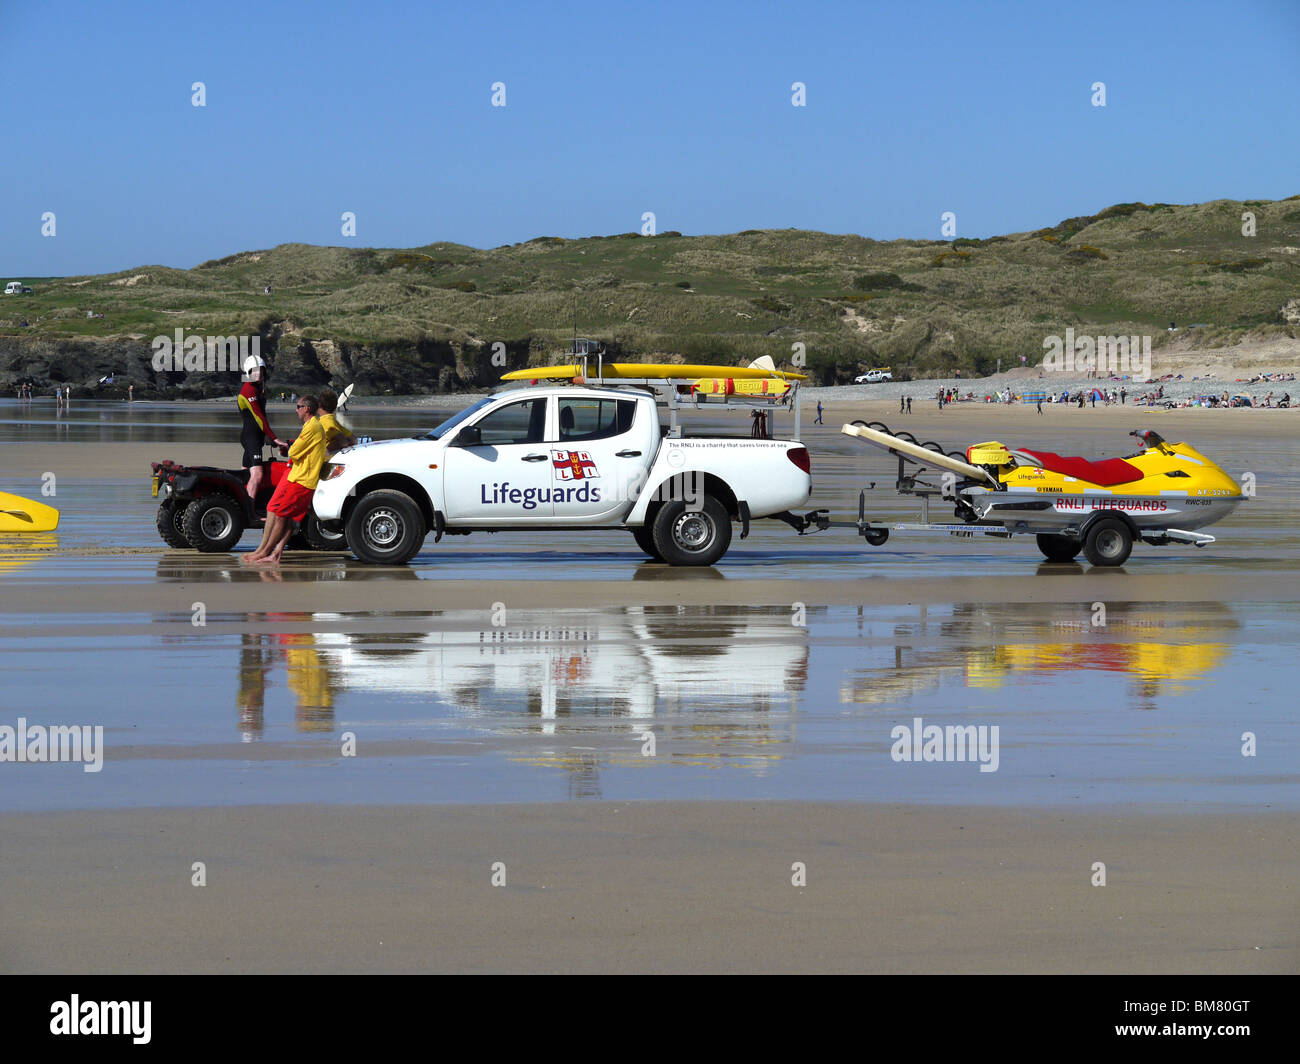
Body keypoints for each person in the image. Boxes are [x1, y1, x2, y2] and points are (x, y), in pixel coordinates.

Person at [244, 396, 327, 565]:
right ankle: (268, 552)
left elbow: (295, 452)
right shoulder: (311, 426)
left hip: (303, 478)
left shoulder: (313, 427)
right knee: (280, 513)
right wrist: (291, 447)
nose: (296, 410)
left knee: (282, 515)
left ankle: (266, 552)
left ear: (306, 409)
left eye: (298, 406)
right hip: (299, 475)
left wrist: (290, 448)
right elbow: (297, 449)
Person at [237, 355, 285, 504]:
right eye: (254, 371)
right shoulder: (248, 390)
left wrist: (267, 437)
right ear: (248, 372)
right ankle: (249, 510)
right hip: (251, 437)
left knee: (245, 474)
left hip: (256, 438)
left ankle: (240, 503)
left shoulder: (257, 388)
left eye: (261, 371)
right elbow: (259, 418)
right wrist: (275, 437)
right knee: (257, 474)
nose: (258, 374)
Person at [317, 390, 357, 454]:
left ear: (319, 404)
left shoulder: (325, 422)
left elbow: (343, 442)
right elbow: (353, 440)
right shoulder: (333, 421)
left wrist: (325, 451)